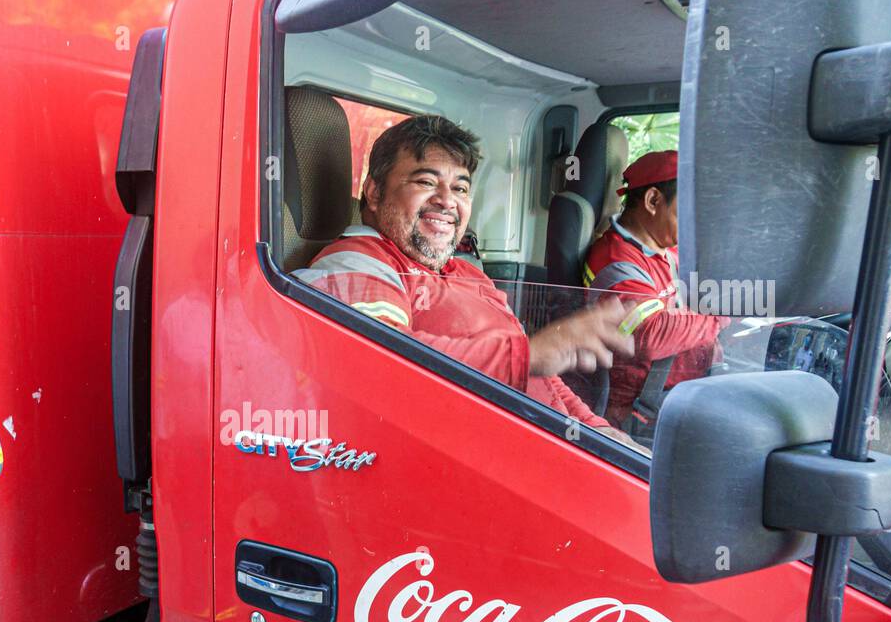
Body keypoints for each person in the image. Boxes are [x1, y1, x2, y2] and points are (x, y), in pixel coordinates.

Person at [293, 114, 641, 448]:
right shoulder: (357, 261)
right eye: (426, 181)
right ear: (373, 191)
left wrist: (595, 430)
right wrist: (525, 355)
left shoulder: (467, 272)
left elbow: (537, 373)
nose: (447, 200)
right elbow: (377, 362)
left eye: (460, 188)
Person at [583, 150, 727, 429]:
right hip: (642, 413)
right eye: (687, 210)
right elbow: (649, 334)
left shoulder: (666, 249)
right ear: (652, 201)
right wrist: (719, 315)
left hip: (683, 391)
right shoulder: (615, 260)